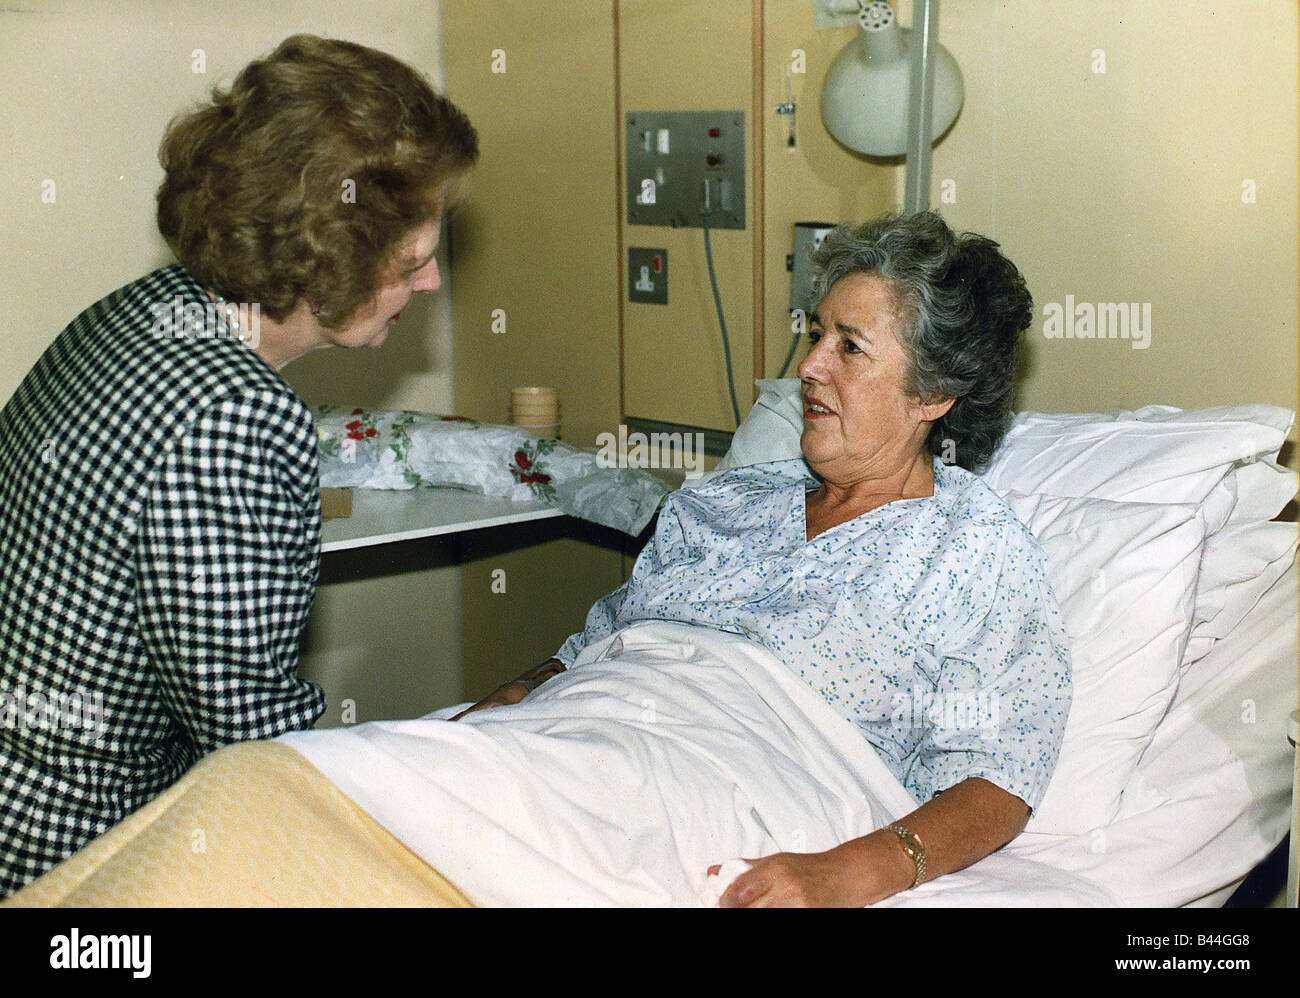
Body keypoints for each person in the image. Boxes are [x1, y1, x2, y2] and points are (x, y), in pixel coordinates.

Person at [459, 212, 1071, 907]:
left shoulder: (971, 548)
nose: (807, 366)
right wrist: (499, 710)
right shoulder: (723, 502)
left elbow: (998, 781)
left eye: (849, 348)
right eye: (816, 336)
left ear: (932, 394)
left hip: (748, 777)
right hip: (591, 725)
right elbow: (589, 651)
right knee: (408, 780)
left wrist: (850, 872)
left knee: (498, 822)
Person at [0, 34, 478, 898]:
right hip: (69, 846)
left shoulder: (145, 310)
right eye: (411, 262)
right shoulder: (238, 417)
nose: (435, 282)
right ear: (327, 260)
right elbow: (252, 737)